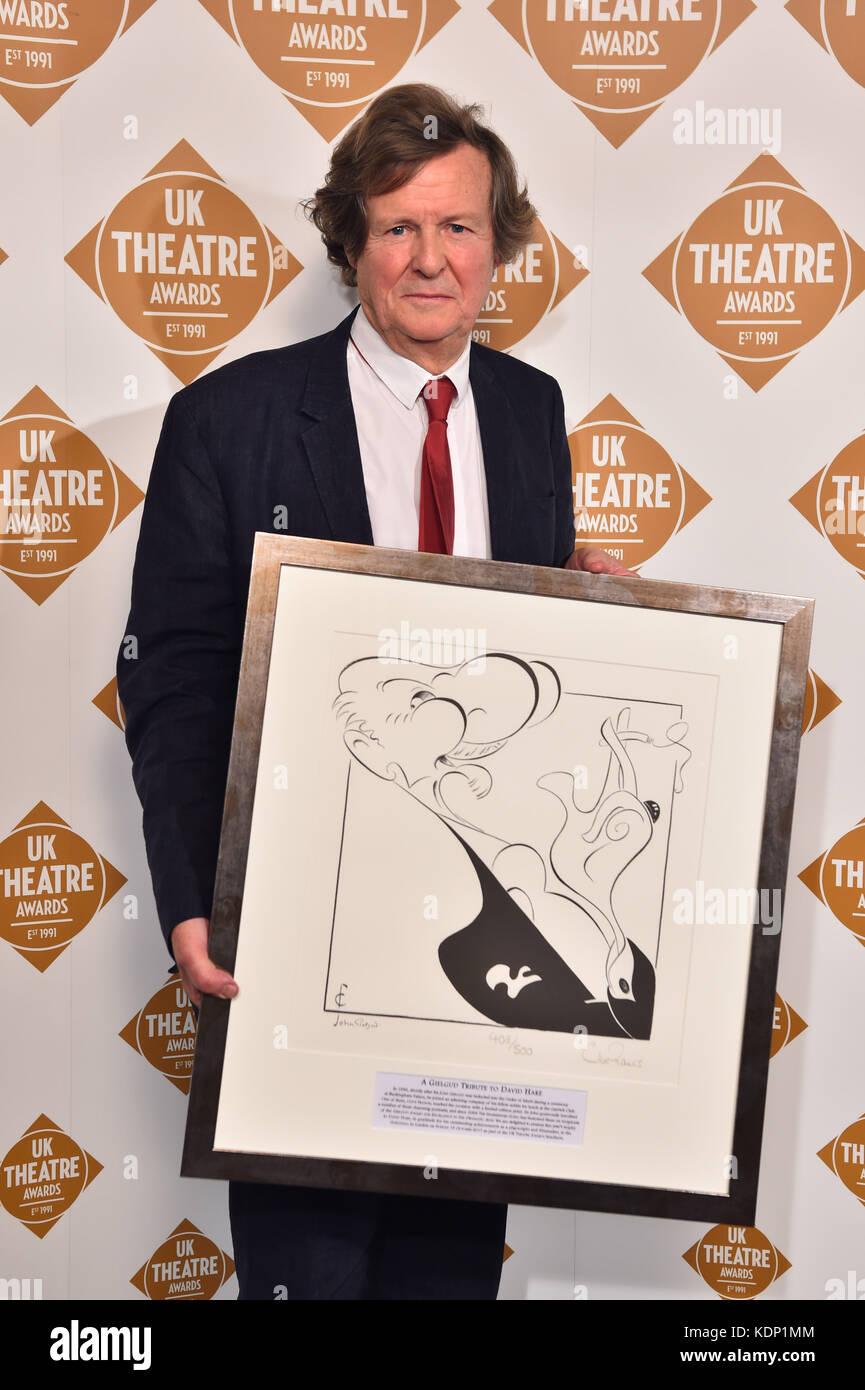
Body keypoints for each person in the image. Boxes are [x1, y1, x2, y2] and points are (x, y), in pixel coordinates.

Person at [117, 82, 632, 1301]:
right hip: (296, 924)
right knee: (311, 1272)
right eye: (397, 227)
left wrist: (588, 612)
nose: (430, 258)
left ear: (498, 247)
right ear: (350, 241)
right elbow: (176, 673)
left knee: (448, 1278)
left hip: (477, 936)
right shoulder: (228, 418)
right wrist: (195, 899)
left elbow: (516, 661)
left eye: (458, 228)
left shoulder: (528, 410)